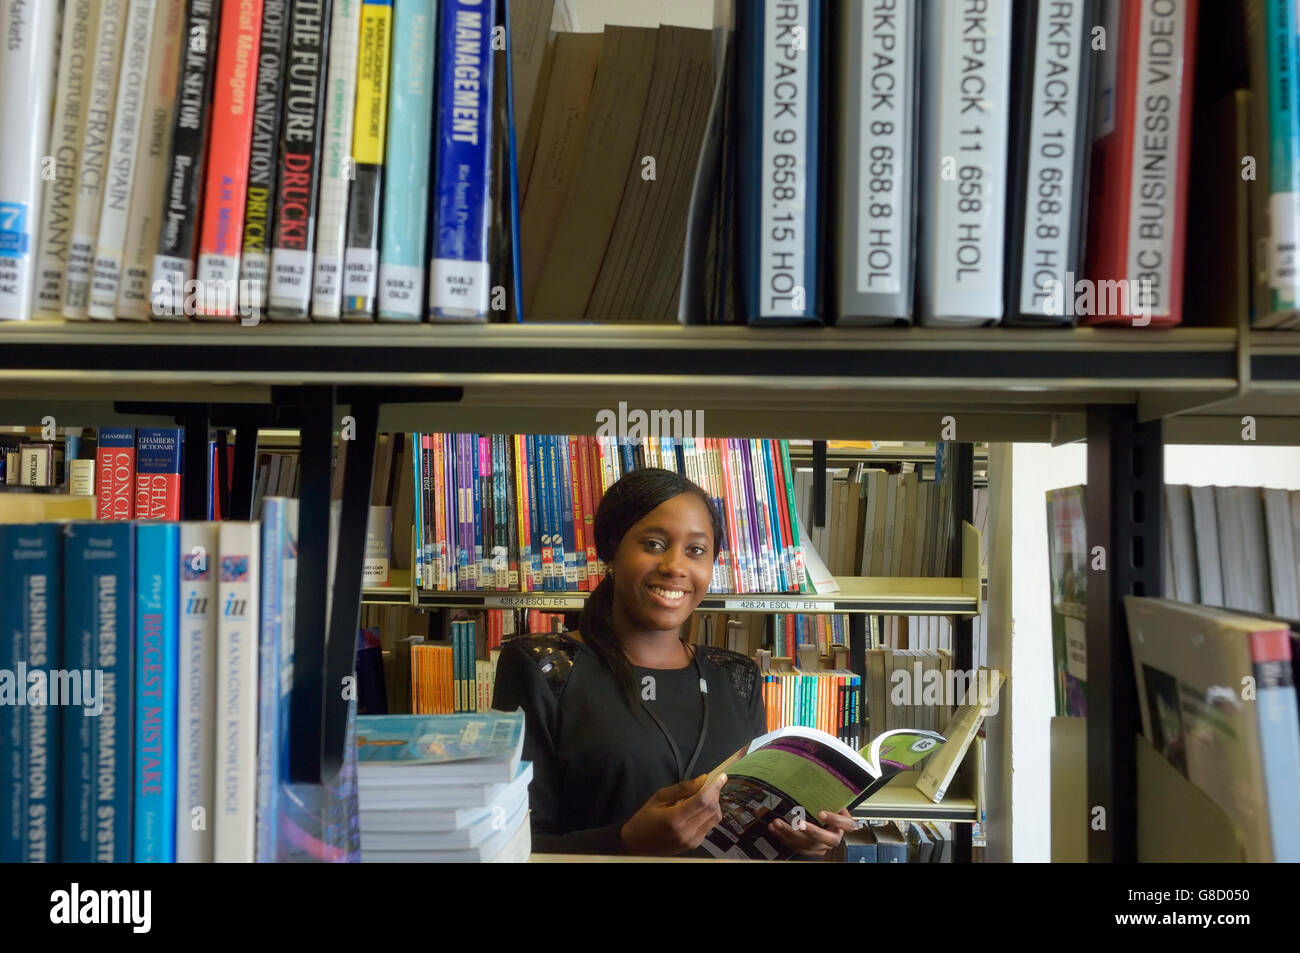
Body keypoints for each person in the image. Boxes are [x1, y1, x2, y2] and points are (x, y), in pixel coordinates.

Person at [491, 466, 856, 857]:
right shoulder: (542, 668)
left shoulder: (737, 678)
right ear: (611, 552)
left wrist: (806, 842)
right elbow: (504, 843)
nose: (675, 566)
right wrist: (625, 842)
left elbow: (747, 835)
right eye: (652, 544)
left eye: (696, 551)